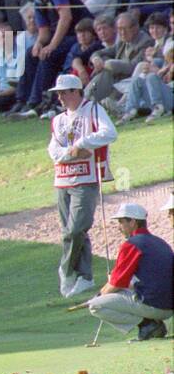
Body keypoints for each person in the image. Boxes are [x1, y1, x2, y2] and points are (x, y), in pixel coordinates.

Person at [44, 73, 117, 298]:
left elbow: (109, 133)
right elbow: (53, 150)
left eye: (64, 93)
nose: (61, 98)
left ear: (76, 92)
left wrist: (84, 144)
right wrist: (72, 153)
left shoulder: (93, 110)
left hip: (86, 178)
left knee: (76, 229)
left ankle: (65, 270)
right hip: (63, 178)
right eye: (58, 94)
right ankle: (85, 277)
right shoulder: (58, 120)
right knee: (72, 230)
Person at [86, 203, 172, 341]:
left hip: (155, 306)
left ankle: (148, 324)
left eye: (121, 222)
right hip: (169, 306)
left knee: (95, 306)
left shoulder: (132, 244)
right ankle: (151, 323)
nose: (119, 226)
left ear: (133, 222)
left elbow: (117, 283)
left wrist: (97, 297)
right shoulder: (160, 242)